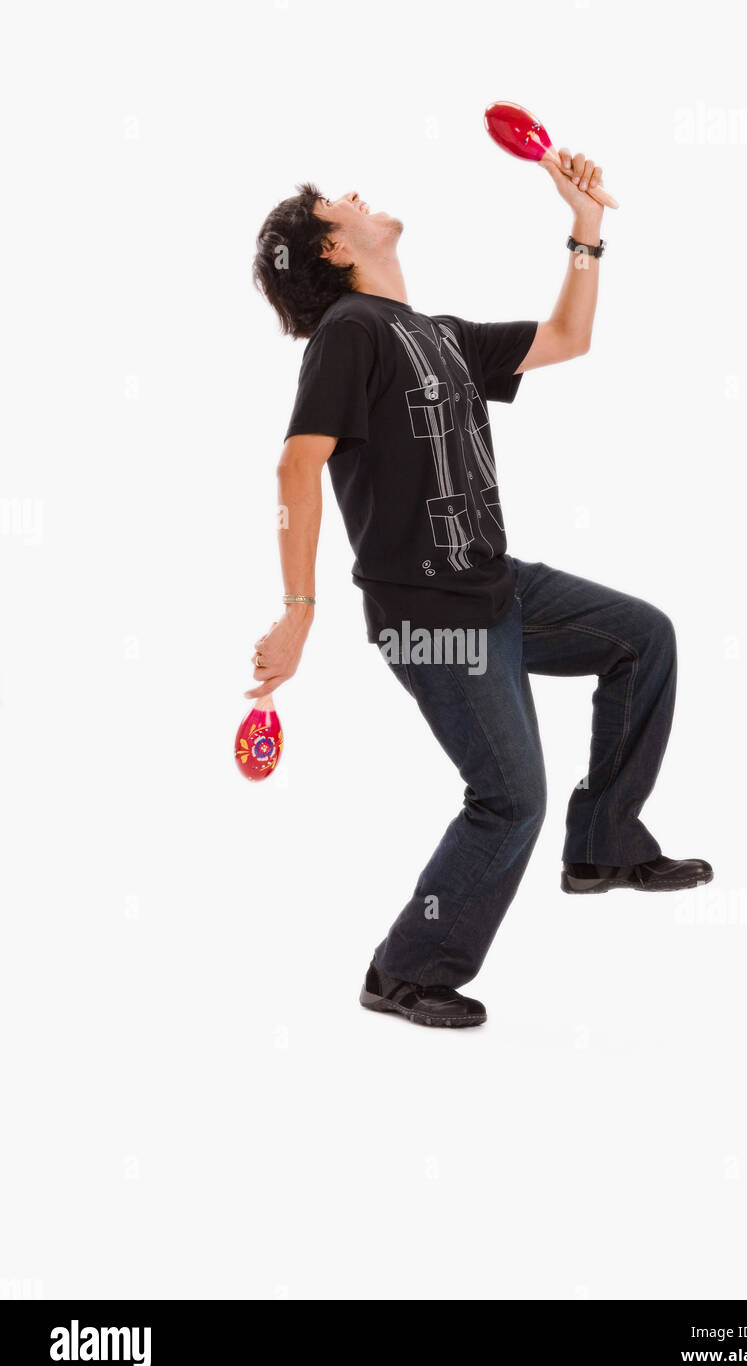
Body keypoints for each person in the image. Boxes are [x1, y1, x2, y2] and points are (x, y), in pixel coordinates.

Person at [249, 146, 712, 1030]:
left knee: (643, 637)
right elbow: (295, 465)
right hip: (431, 621)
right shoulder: (349, 332)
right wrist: (297, 612)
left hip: (498, 589)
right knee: (508, 799)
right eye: (331, 204)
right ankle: (404, 971)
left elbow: (568, 340)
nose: (351, 194)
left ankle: (605, 845)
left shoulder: (436, 334)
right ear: (335, 252)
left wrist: (586, 230)